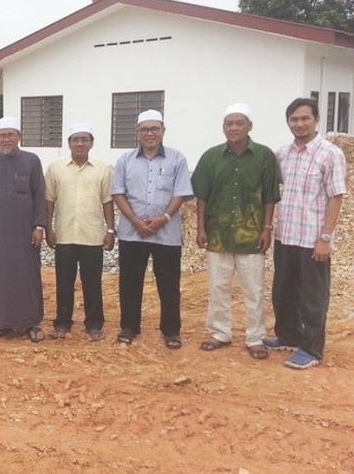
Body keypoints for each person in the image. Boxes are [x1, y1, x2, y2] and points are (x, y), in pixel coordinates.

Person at [192, 104, 280, 360]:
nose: (233, 128)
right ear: (223, 128)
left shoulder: (264, 156)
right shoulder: (211, 157)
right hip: (218, 235)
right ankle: (220, 333)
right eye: (229, 124)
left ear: (249, 126)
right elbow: (202, 195)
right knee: (218, 287)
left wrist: (266, 228)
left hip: (251, 235)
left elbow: (270, 196)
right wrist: (200, 227)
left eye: (239, 123)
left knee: (253, 290)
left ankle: (255, 338)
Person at [264, 98, 346, 369]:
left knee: (313, 296)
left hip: (312, 239)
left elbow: (336, 197)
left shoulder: (330, 154)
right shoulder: (282, 154)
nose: (299, 124)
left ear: (316, 120)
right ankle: (287, 335)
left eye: (305, 119)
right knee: (283, 291)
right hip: (286, 235)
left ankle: (311, 349)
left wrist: (326, 238)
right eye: (294, 120)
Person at [110, 109, 193, 349]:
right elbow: (118, 193)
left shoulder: (177, 159)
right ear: (137, 133)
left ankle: (171, 330)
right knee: (129, 281)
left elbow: (180, 193)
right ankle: (129, 326)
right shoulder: (125, 160)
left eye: (154, 129)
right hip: (131, 232)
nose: (150, 133)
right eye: (144, 129)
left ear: (163, 131)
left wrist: (163, 218)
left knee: (168, 283)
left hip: (166, 234)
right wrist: (136, 221)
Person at [44, 122, 115, 341]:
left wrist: (110, 230)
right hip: (64, 235)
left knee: (92, 282)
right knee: (63, 282)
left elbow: (107, 201)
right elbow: (49, 201)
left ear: (92, 143)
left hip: (92, 235)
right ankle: (62, 323)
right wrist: (49, 228)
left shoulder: (104, 169)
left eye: (84, 139)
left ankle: (94, 324)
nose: (80, 143)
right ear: (69, 143)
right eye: (75, 139)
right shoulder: (55, 168)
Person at [0, 116, 47, 343]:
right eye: (2, 135)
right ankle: (0, 323)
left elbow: (40, 194)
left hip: (25, 230)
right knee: (0, 274)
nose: (6, 139)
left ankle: (31, 322)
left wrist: (39, 226)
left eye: (11, 135)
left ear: (19, 137)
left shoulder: (32, 161)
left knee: (27, 275)